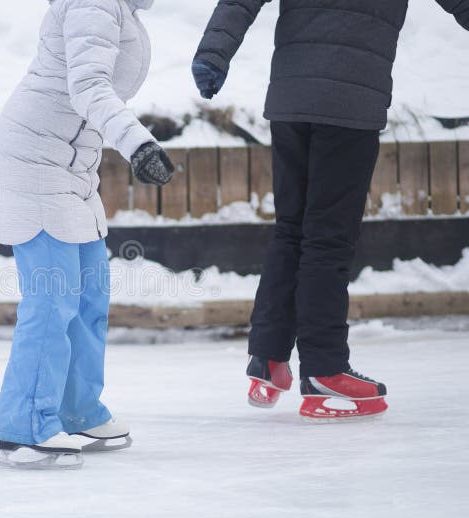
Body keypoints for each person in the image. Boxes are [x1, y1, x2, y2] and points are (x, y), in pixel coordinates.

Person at [191, 0, 469, 420]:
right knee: (328, 238)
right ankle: (324, 369)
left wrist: (213, 54)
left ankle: (268, 358)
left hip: (291, 101)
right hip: (349, 105)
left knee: (291, 229)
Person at [0, 0, 174, 464]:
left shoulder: (122, 9)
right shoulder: (93, 1)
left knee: (91, 297)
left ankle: (77, 410)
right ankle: (27, 422)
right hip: (35, 160)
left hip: (72, 167)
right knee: (52, 300)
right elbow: (88, 87)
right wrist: (138, 143)